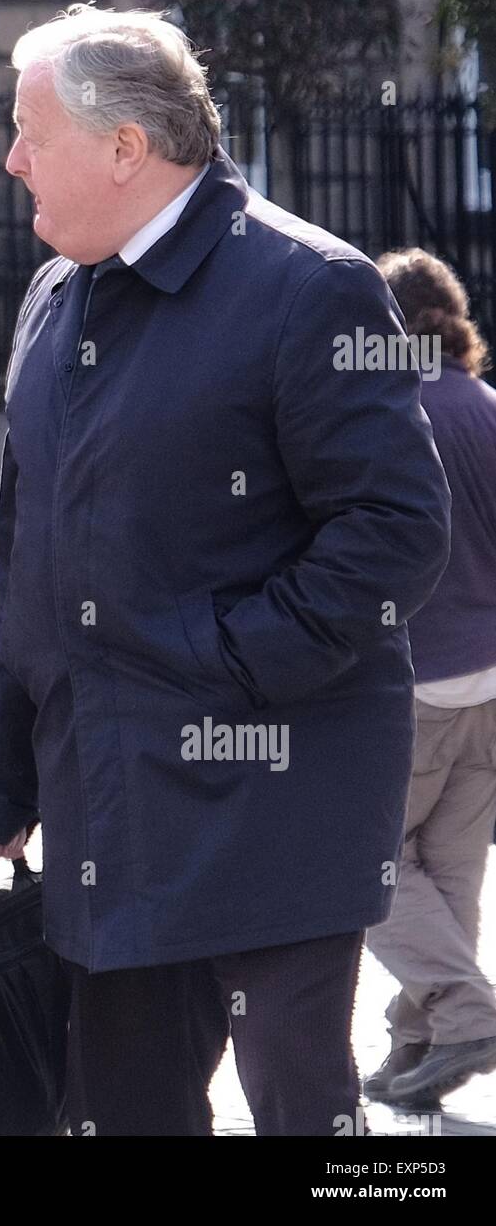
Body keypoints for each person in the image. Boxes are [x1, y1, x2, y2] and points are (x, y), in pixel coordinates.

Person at [0, 5, 452, 1136]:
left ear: (125, 147)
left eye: (31, 132)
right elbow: (25, 557)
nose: (11, 158)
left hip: (278, 791)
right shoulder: (49, 296)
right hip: (108, 797)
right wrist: (0, 773)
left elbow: (395, 530)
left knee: (304, 1108)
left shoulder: (305, 285)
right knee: (123, 1109)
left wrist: (218, 661)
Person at [362, 248, 496, 1108]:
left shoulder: (387, 412)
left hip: (417, 677)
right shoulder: (485, 405)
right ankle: (421, 1048)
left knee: (357, 862)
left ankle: (469, 1014)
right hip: (490, 681)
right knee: (447, 876)